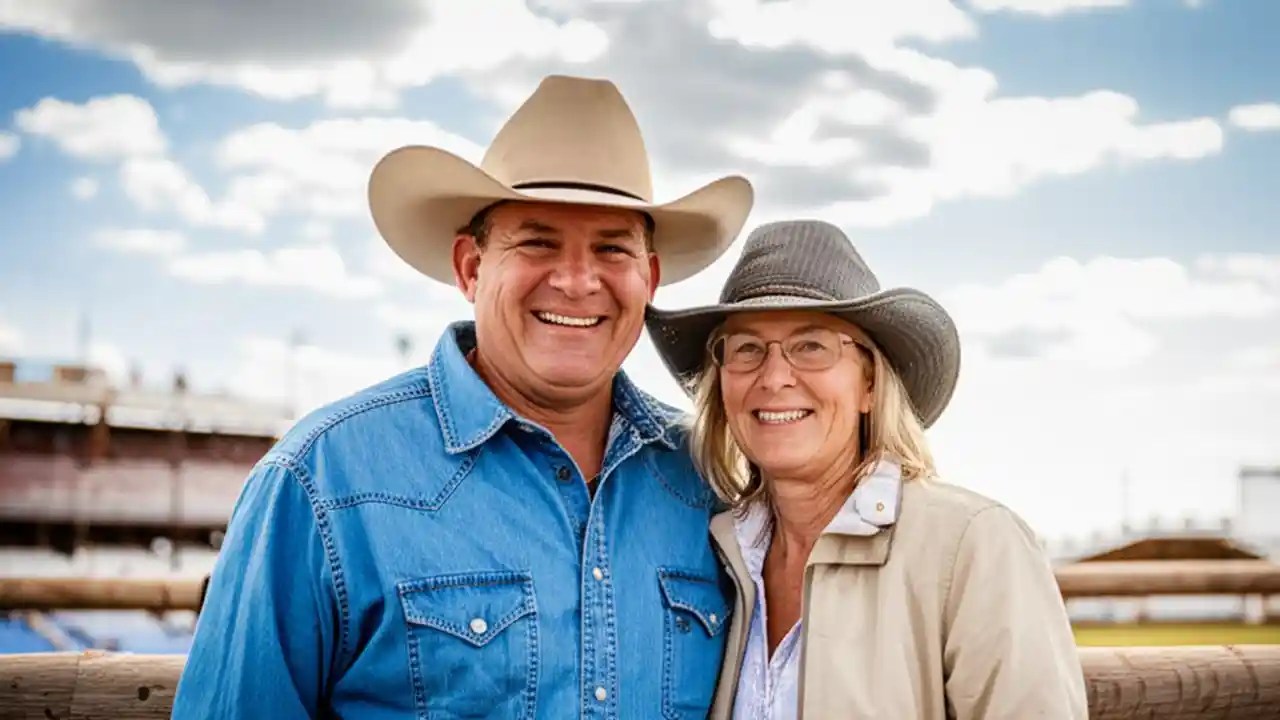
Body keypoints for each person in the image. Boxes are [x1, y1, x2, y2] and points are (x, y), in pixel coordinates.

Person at [172, 75, 753, 718]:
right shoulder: (320, 481)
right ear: (470, 268)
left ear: (649, 278)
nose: (577, 280)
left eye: (612, 249)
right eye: (538, 242)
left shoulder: (709, 478)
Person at [645, 220, 1088, 719]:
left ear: (870, 383)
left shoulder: (974, 545)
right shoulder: (719, 554)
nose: (773, 378)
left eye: (812, 345)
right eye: (746, 348)